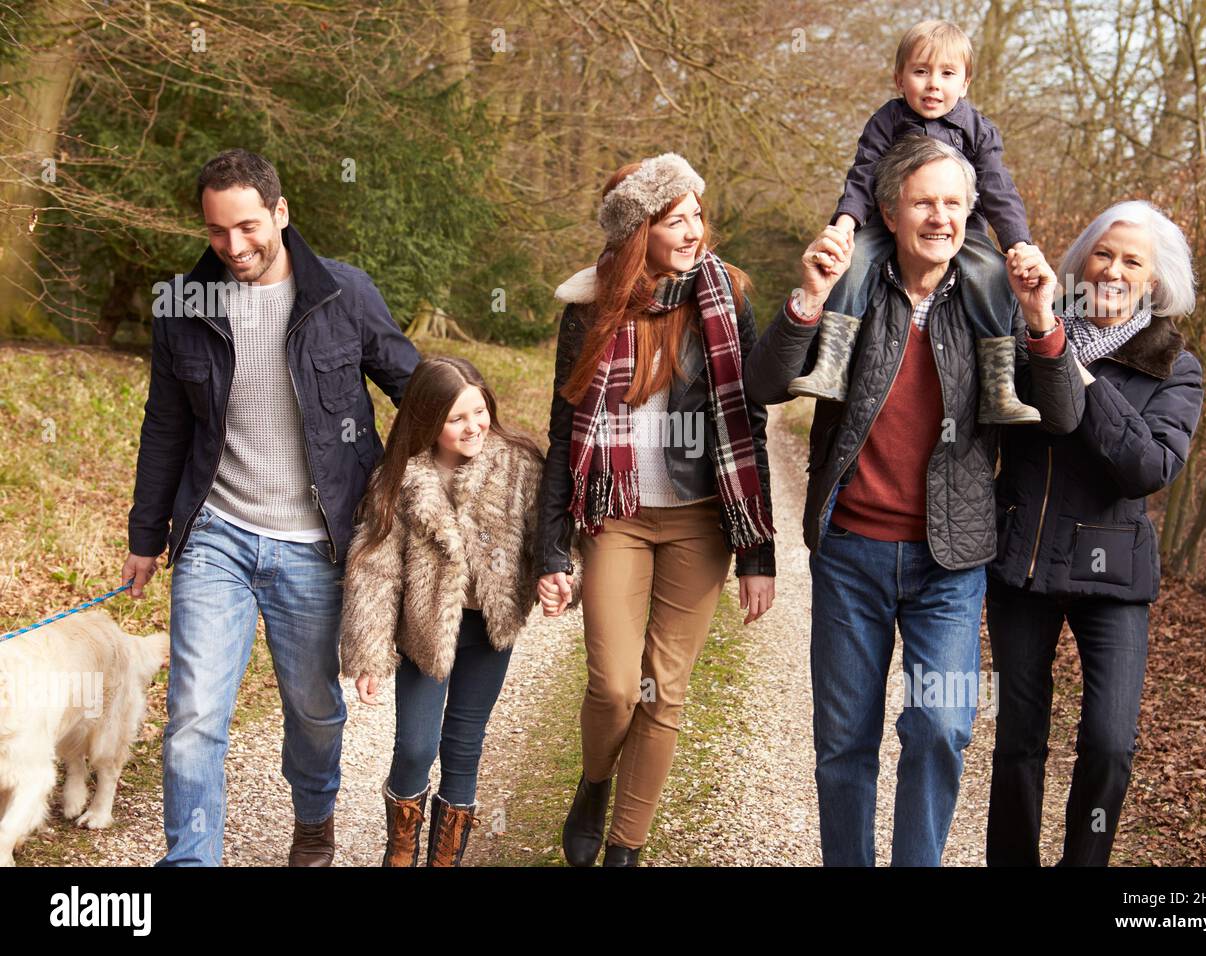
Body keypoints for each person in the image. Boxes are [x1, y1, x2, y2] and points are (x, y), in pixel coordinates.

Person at [744, 135, 1085, 866]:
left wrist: (1043, 318)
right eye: (924, 202)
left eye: (955, 204)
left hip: (950, 562)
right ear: (891, 211)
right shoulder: (850, 284)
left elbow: (1061, 416)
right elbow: (763, 384)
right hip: (851, 554)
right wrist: (806, 296)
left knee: (941, 726)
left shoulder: (993, 298)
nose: (941, 218)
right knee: (844, 743)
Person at [122, 148, 421, 866]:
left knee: (315, 710)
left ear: (281, 214)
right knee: (194, 715)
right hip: (216, 535)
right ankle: (191, 859)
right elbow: (165, 423)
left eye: (248, 226)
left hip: (316, 543)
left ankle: (314, 822)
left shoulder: (344, 294)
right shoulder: (184, 305)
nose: (234, 247)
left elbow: (415, 389)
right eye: (218, 231)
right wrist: (145, 533)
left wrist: (466, 456)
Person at [535, 153, 777, 867]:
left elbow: (749, 424)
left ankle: (625, 850)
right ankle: (594, 781)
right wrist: (552, 547)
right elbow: (562, 431)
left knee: (663, 691)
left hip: (701, 521)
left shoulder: (727, 297)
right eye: (676, 220)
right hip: (618, 517)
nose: (694, 230)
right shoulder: (590, 309)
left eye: (697, 214)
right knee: (614, 685)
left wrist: (757, 556)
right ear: (639, 230)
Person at [984, 200, 1204, 866]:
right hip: (1023, 559)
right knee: (1019, 737)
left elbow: (1146, 467)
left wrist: (1076, 369)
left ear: (1155, 282)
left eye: (1132, 261)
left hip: (1113, 571)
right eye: (1103, 255)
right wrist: (1044, 341)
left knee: (1110, 742)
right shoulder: (1029, 336)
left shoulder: (1175, 366)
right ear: (1080, 265)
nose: (1113, 269)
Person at [339, 356, 553, 867]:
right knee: (415, 746)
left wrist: (559, 574)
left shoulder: (519, 463)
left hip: (488, 632)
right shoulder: (401, 479)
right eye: (457, 418)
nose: (473, 426)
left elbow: (549, 533)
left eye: (479, 412)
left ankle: (446, 859)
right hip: (426, 634)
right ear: (428, 419)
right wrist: (370, 653)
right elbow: (375, 570)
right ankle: (401, 849)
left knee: (464, 746)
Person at [792, 19, 1040, 427]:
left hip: (962, 229)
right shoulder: (887, 121)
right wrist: (846, 222)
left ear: (965, 83)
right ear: (899, 79)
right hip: (885, 220)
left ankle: (1000, 386)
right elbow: (863, 174)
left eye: (947, 74)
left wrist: (1018, 242)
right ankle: (831, 364)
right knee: (851, 262)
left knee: (993, 272)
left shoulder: (979, 131)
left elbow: (998, 189)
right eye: (920, 72)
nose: (932, 85)